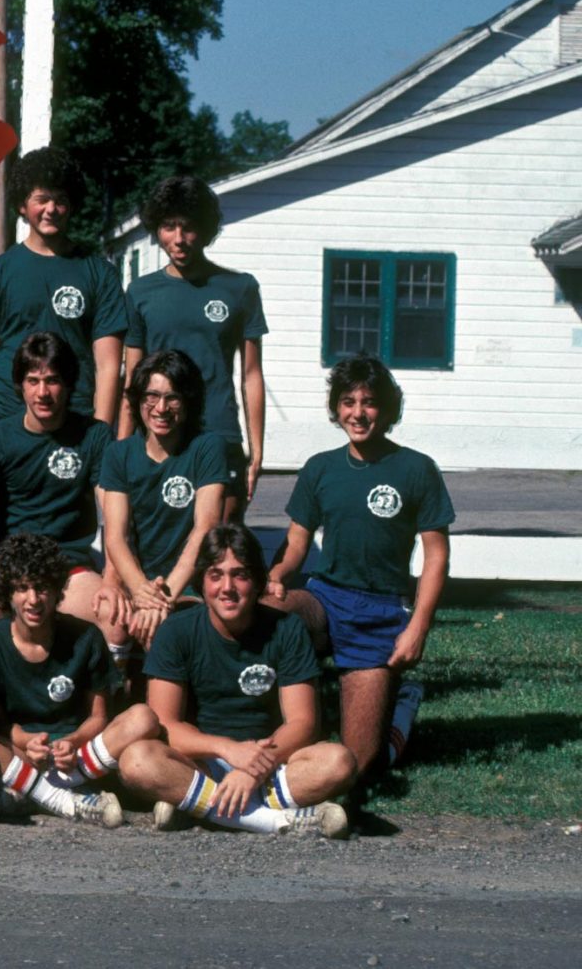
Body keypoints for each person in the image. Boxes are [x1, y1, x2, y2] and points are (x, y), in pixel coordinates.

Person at [263, 355, 453, 788]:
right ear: (335, 409)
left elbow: (436, 555)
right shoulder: (320, 467)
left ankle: (399, 705)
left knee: (359, 766)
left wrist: (418, 627)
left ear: (386, 409)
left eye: (369, 402)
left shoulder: (416, 468)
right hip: (325, 598)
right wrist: (278, 576)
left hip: (380, 613)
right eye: (348, 402)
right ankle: (277, 726)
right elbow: (297, 540)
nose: (358, 413)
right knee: (261, 615)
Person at [118, 524, 357, 837]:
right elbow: (166, 725)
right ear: (201, 583)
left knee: (339, 761)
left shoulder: (286, 629)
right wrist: (227, 750)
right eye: (215, 575)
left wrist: (252, 770)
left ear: (257, 580)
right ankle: (276, 820)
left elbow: (303, 723)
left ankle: (196, 806)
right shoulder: (177, 630)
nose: (227, 587)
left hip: (270, 763)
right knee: (136, 761)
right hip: (202, 762)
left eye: (240, 575)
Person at [0, 534, 159, 826]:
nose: (33, 600)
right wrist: (27, 741)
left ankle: (35, 790)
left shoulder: (85, 637)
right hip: (21, 751)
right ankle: (64, 799)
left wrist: (72, 742)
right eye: (22, 589)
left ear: (58, 590)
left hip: (77, 752)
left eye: (43, 588)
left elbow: (99, 717)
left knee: (143, 717)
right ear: (7, 592)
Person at [0, 332, 129, 665]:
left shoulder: (94, 435)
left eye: (52, 381)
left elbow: (115, 516)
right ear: (20, 385)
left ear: (69, 384)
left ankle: (108, 708)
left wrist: (113, 580)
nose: (42, 392)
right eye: (33, 381)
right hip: (11, 566)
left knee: (113, 620)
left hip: (68, 562)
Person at [122, 175, 266, 519]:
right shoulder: (140, 292)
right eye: (169, 227)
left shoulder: (239, 288)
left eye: (189, 227)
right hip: (158, 433)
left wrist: (257, 450)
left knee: (220, 544)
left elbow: (251, 374)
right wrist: (125, 445)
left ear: (205, 228)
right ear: (157, 228)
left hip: (219, 432)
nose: (180, 239)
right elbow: (134, 379)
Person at [0, 147, 126, 448]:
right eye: (42, 199)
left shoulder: (99, 274)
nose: (51, 209)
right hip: (2, 416)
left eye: (61, 201)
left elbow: (108, 366)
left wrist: (101, 438)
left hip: (75, 420)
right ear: (23, 205)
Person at [100, 349, 227, 649]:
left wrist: (164, 596)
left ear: (188, 401)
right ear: (138, 400)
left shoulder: (207, 447)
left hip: (189, 585)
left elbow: (206, 526)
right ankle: (121, 691)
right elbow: (115, 537)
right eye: (152, 396)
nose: (161, 408)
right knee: (112, 621)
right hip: (140, 583)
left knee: (164, 630)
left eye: (173, 397)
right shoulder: (119, 454)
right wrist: (142, 591)